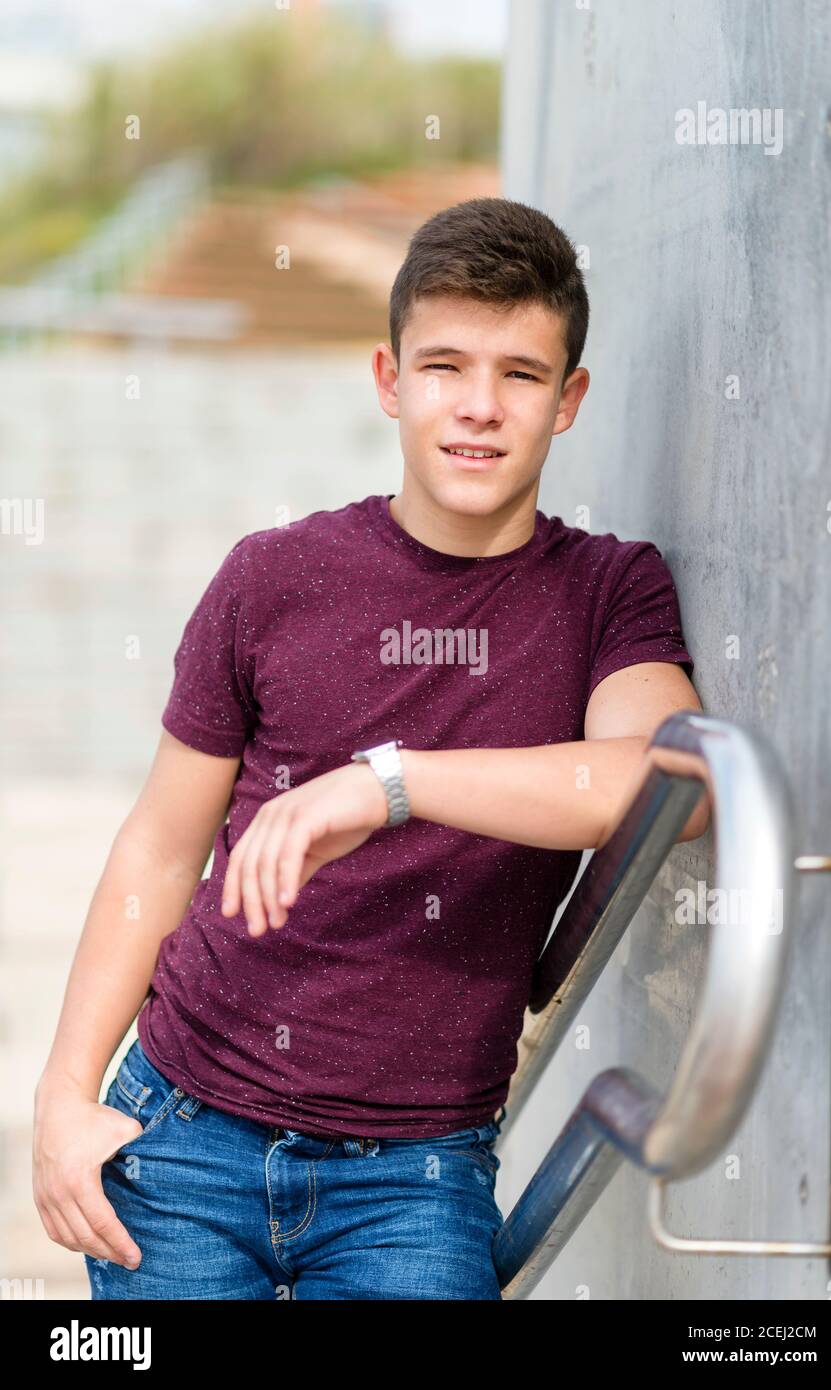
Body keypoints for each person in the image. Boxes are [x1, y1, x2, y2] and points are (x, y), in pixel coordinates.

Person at [32, 196, 708, 1300]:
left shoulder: (608, 590)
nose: (479, 408)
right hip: (185, 1127)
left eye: (521, 376)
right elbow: (159, 849)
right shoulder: (271, 577)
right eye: (444, 366)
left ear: (569, 401)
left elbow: (669, 777)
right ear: (390, 381)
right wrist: (64, 1094)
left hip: (416, 1177)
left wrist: (389, 786)